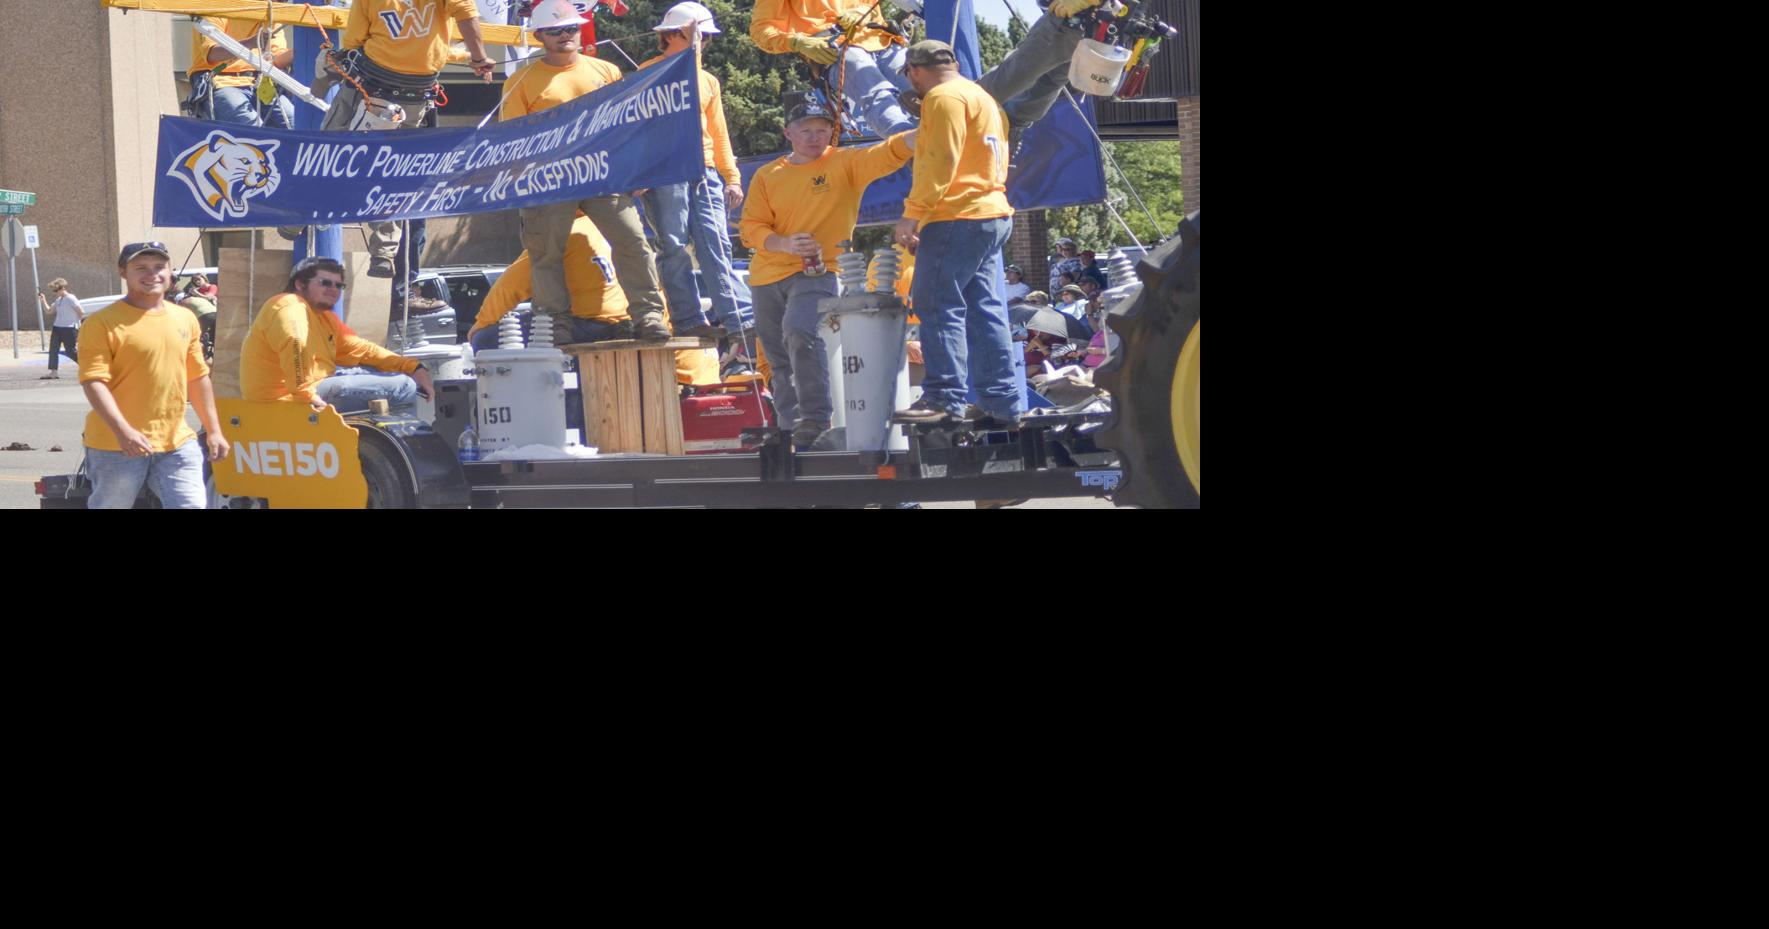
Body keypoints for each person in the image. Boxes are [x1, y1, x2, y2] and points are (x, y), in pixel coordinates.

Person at [738, 100, 916, 449]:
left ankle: (817, 418)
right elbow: (750, 227)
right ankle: (794, 431)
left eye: (822, 130)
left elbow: (888, 152)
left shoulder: (844, 162)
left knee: (800, 330)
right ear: (787, 132)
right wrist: (784, 243)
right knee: (776, 357)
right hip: (766, 274)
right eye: (805, 130)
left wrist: (922, 132)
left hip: (820, 270)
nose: (814, 137)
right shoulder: (768, 174)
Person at [506, 0, 674, 342]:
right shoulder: (521, 79)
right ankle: (556, 325)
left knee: (634, 241)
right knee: (545, 254)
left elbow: (625, 126)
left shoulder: (606, 70)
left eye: (571, 28)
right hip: (547, 180)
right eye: (556, 31)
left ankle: (648, 316)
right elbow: (509, 138)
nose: (566, 35)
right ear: (540, 36)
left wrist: (635, 169)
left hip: (604, 174)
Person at [310, 1, 496, 278]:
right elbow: (460, 22)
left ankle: (301, 214)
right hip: (412, 99)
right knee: (389, 171)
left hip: (368, 88)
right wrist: (478, 58)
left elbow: (353, 41)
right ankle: (384, 250)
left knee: (328, 153)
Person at [890, 40, 1019, 427]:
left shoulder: (942, 98)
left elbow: (938, 161)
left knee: (935, 304)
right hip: (991, 212)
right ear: (954, 63)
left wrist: (912, 215)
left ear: (914, 71)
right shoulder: (981, 96)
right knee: (984, 309)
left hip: (956, 215)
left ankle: (944, 397)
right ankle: (1001, 401)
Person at [466, 215, 720, 387]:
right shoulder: (614, 230)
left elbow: (509, 287)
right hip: (632, 324)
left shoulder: (560, 234)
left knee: (489, 338)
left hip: (589, 326)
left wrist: (480, 326)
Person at [637, 3, 755, 347]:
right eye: (696, 35)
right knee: (672, 245)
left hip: (703, 170)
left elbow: (718, 133)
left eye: (703, 37)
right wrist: (640, 172)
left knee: (715, 243)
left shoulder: (708, 80)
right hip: (664, 171)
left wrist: (731, 176)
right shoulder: (649, 72)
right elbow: (639, 131)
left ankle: (739, 318)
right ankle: (688, 319)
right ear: (671, 35)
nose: (701, 43)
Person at [77, 242, 229, 508]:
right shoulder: (100, 323)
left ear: (170, 272)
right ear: (123, 272)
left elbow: (197, 377)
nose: (152, 274)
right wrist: (123, 431)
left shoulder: (185, 318)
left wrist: (214, 430)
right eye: (141, 268)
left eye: (160, 267)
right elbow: (94, 382)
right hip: (115, 444)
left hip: (176, 442)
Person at [241, 257, 435, 414]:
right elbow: (295, 342)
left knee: (389, 374)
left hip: (311, 387)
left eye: (338, 285)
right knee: (403, 386)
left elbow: (363, 350)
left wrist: (412, 366)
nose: (333, 289)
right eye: (325, 283)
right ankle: (400, 447)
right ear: (300, 284)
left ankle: (366, 440)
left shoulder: (324, 317)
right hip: (284, 399)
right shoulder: (288, 304)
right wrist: (306, 395)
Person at [751, 1, 915, 138]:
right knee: (877, 93)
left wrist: (861, 11)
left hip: (881, 40)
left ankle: (936, 140)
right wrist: (798, 42)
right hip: (834, 49)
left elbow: (870, 4)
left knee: (926, 84)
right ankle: (913, 149)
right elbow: (761, 30)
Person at [185, 15, 295, 128]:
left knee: (296, 123)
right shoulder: (216, 9)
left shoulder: (269, 14)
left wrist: (300, 51)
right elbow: (212, 53)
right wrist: (251, 42)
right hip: (222, 82)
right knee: (253, 127)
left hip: (260, 84)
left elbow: (276, 61)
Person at [38, 279, 82, 380]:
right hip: (57, 328)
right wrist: (43, 300)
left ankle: (87, 366)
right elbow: (49, 311)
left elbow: (80, 312)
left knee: (71, 351)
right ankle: (54, 372)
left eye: (55, 291)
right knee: (53, 350)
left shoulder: (71, 298)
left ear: (62, 288)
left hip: (69, 328)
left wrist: (78, 325)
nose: (54, 293)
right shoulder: (58, 300)